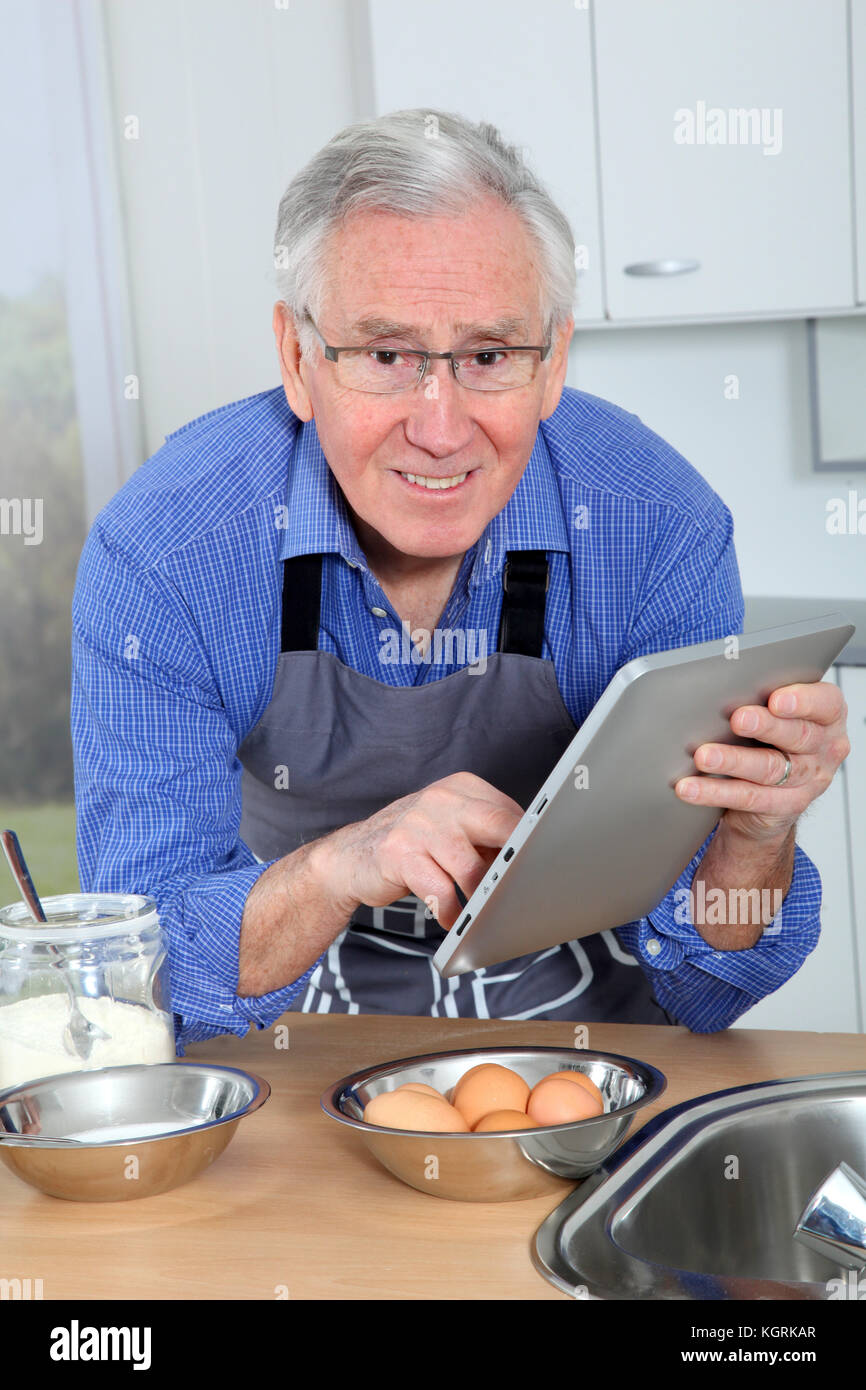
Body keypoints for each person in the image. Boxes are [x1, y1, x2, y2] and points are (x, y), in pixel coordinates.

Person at [71, 109, 850, 1048]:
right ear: (297, 358)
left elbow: (710, 992)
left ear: (553, 361)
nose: (439, 429)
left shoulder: (657, 529)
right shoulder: (168, 550)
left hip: (583, 1052)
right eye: (387, 355)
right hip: (285, 1041)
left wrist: (754, 839)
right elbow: (138, 975)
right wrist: (340, 865)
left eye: (488, 356)